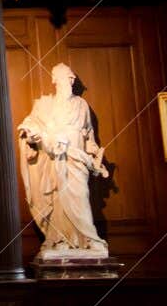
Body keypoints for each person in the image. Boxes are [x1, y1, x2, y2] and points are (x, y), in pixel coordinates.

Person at [18, 62, 109, 260]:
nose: (72, 79)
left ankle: (88, 239)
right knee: (57, 199)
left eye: (72, 76)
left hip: (77, 158)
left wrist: (95, 154)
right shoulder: (44, 104)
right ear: (55, 79)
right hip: (54, 158)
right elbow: (29, 124)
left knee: (80, 196)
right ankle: (58, 239)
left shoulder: (81, 104)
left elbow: (88, 136)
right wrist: (29, 134)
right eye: (67, 75)